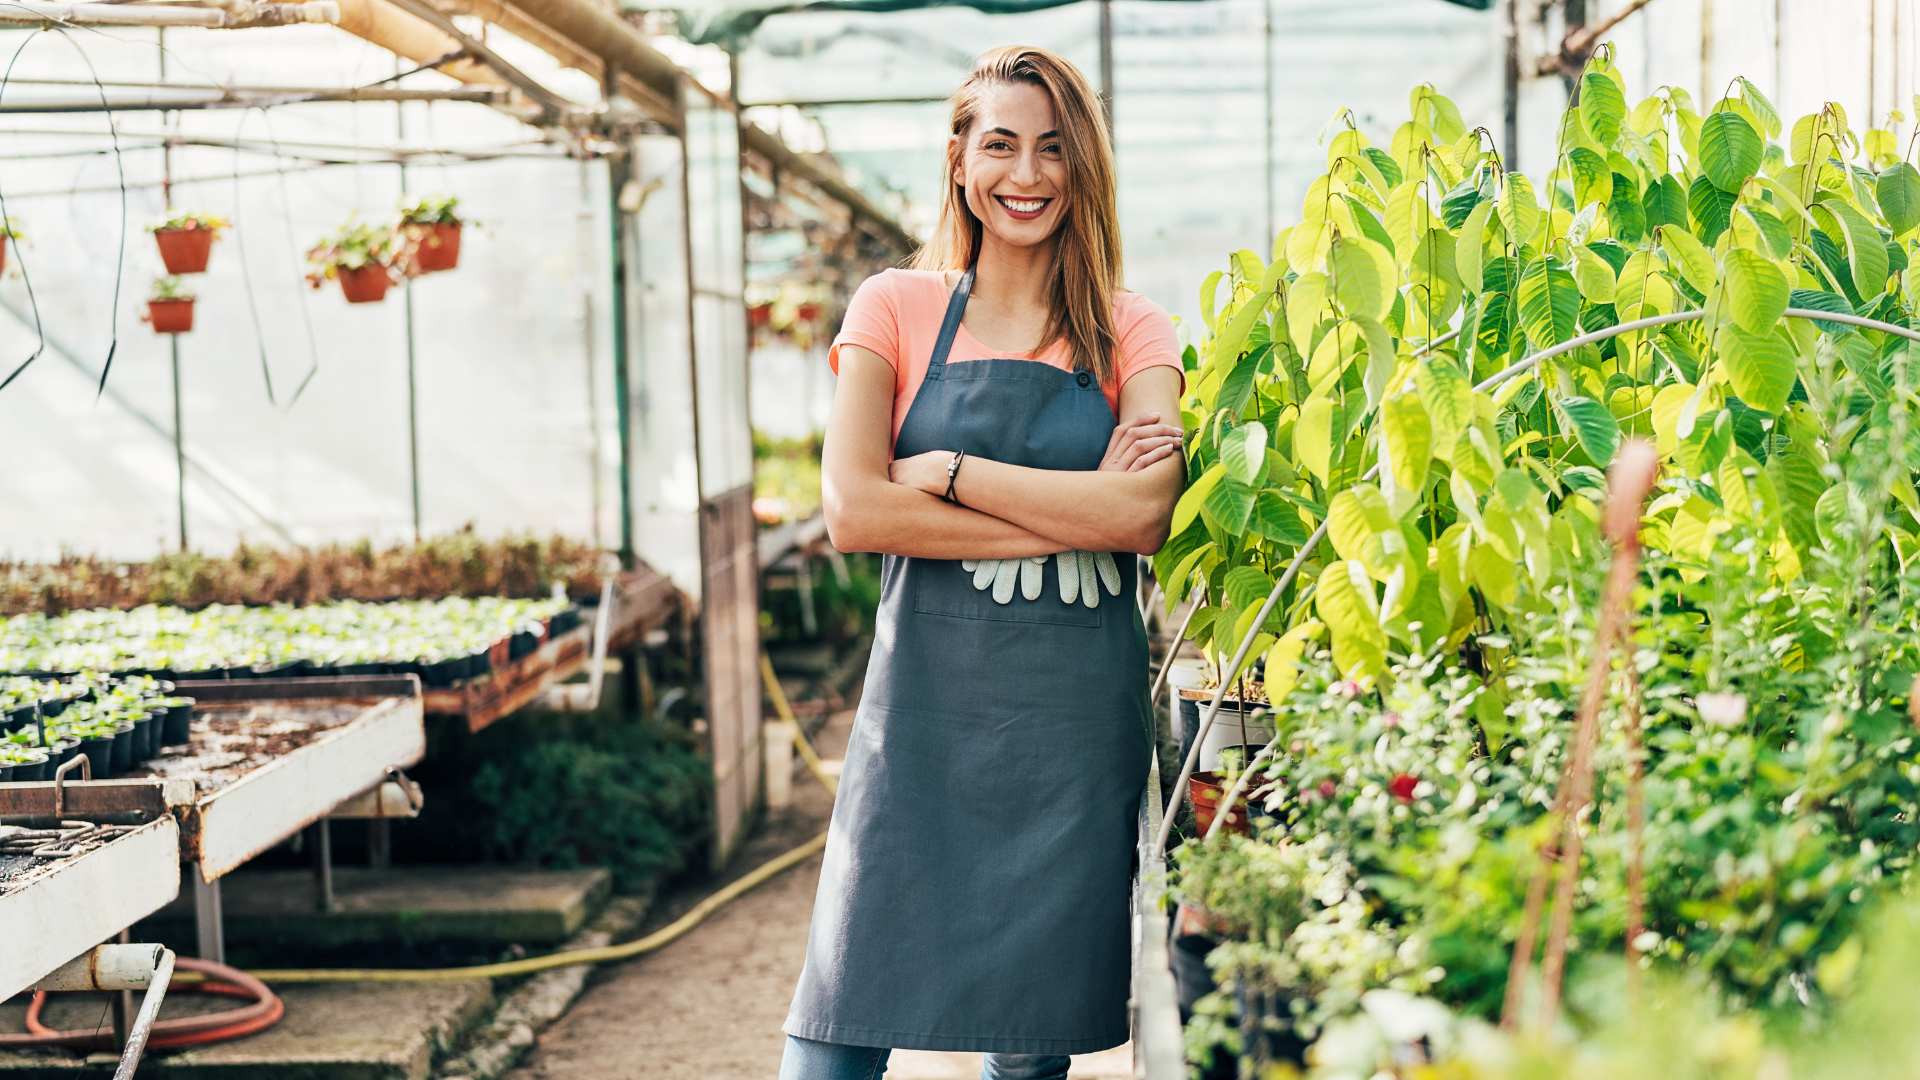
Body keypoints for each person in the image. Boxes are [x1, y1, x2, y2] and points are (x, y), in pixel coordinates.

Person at [779, 44, 1187, 1080]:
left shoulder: (1133, 327)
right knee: (837, 1018)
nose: (1028, 174)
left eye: (1055, 149)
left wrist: (950, 472)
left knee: (1028, 1040)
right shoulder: (894, 306)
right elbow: (855, 510)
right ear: (959, 158)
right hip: (919, 719)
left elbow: (1143, 515)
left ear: (1083, 167)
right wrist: (1075, 512)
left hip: (1067, 734)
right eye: (1000, 145)